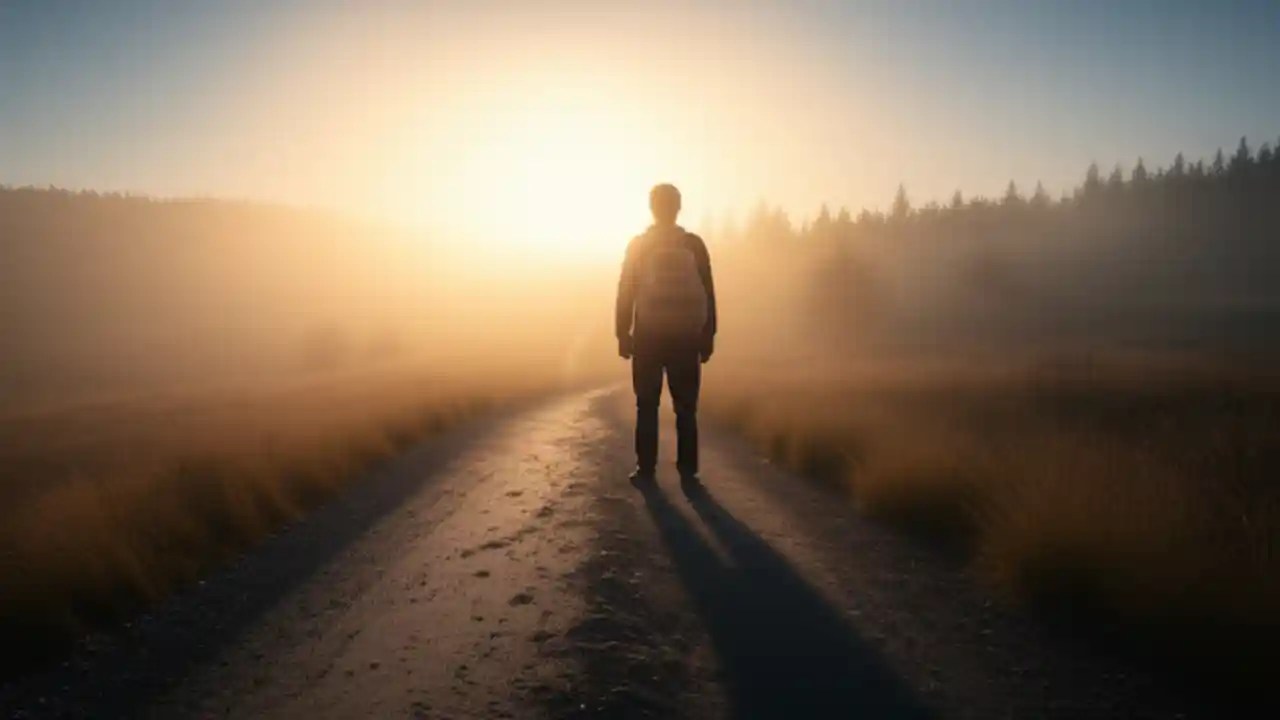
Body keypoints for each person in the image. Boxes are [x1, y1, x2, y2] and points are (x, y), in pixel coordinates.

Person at [616, 183, 717, 483]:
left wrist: (622, 332)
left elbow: (626, 290)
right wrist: (708, 334)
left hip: (648, 336)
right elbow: (709, 292)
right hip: (686, 337)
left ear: (652, 208)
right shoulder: (694, 244)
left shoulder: (638, 245)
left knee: (646, 405)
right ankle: (688, 472)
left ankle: (646, 470)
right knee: (686, 408)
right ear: (678, 207)